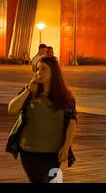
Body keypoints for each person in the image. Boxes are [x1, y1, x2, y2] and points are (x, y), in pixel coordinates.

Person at [7, 55, 77, 183]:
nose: (39, 73)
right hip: (29, 151)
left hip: (54, 152)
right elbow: (12, 109)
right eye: (37, 69)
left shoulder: (65, 97)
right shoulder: (30, 93)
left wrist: (66, 147)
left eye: (43, 69)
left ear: (54, 72)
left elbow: (72, 123)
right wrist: (28, 90)